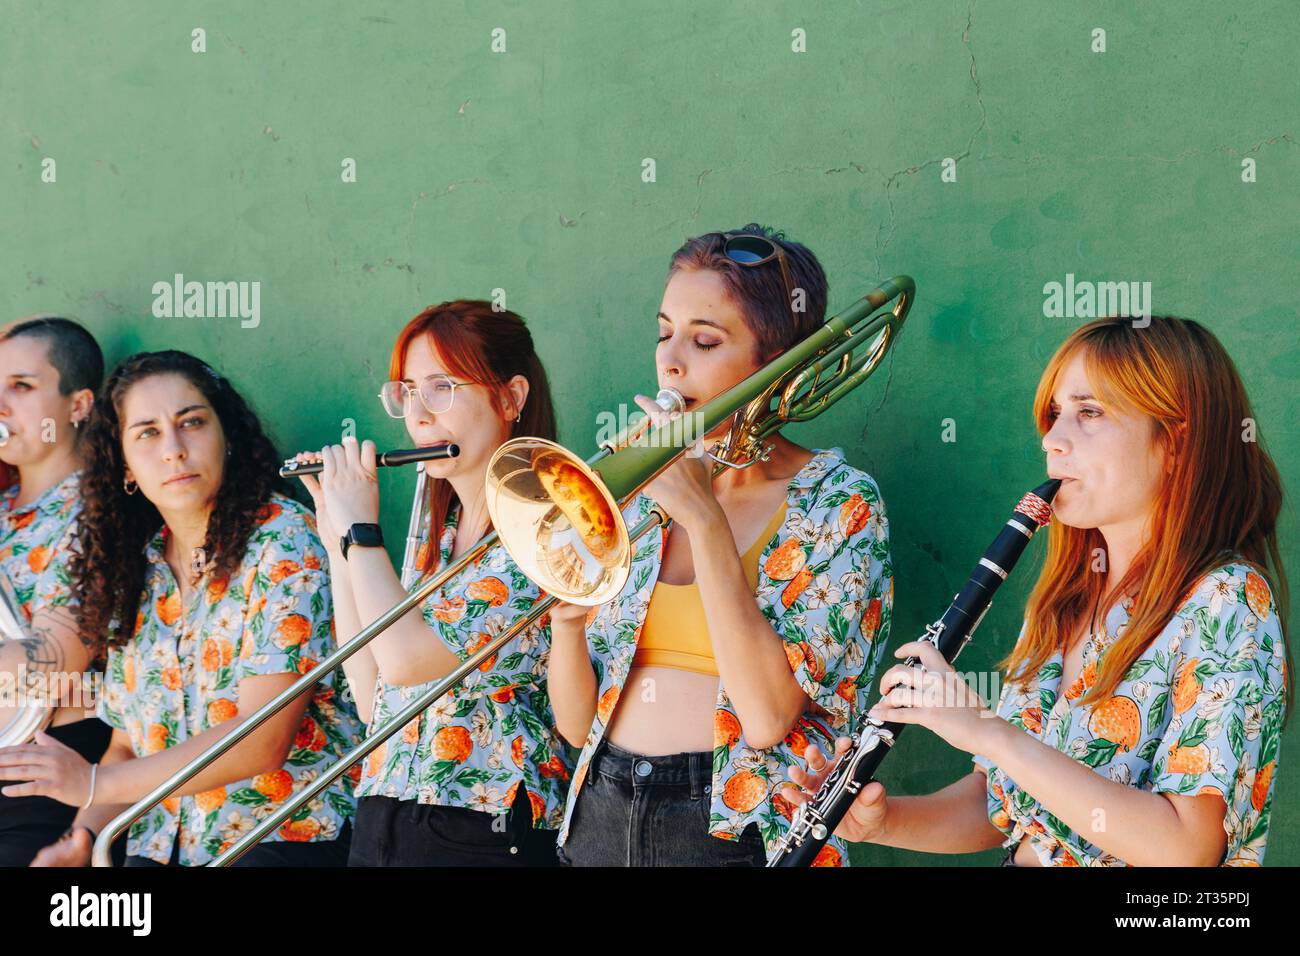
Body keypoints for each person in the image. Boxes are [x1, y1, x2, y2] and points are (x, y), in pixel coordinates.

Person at [786, 315, 1289, 866]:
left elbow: (1186, 850)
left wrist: (988, 732)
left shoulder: (1227, 601)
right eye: (1054, 415)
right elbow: (1006, 806)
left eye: (1089, 412)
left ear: (1175, 441)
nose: (1053, 439)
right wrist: (882, 821)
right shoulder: (1062, 606)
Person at [547, 225, 894, 866]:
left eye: (705, 340)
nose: (671, 361)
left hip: (736, 831)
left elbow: (765, 718)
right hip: (599, 815)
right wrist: (566, 625)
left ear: (778, 363)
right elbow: (576, 727)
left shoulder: (839, 502)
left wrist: (705, 522)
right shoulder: (641, 487)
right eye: (664, 332)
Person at [0, 350, 363, 866]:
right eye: (146, 432)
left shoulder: (283, 538)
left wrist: (92, 783)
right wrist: (80, 839)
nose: (173, 449)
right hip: (161, 847)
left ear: (227, 437)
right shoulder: (138, 567)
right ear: (125, 465)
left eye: (191, 423)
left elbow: (261, 740)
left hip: (285, 836)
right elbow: (127, 745)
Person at [294, 301, 571, 866]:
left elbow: (404, 660)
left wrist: (364, 531)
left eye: (441, 387)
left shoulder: (550, 526)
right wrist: (337, 538)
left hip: (482, 822)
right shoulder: (437, 529)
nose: (417, 413)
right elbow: (376, 693)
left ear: (510, 397)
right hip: (385, 808)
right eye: (406, 391)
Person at [0, 318, 104, 866]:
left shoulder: (100, 511)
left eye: (20, 386)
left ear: (78, 404)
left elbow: (54, 663)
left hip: (40, 780)